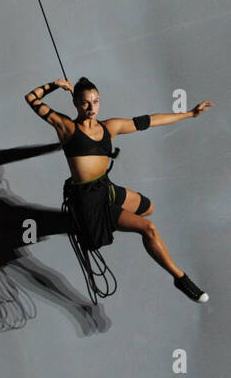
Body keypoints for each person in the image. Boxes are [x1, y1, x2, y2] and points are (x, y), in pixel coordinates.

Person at [24, 77, 213, 302]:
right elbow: (31, 98)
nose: (92, 107)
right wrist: (54, 85)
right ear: (75, 102)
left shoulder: (110, 127)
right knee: (149, 228)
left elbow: (150, 121)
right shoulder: (66, 127)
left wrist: (190, 113)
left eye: (96, 101)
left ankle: (111, 220)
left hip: (106, 188)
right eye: (86, 102)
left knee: (148, 207)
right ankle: (180, 278)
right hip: (88, 200)